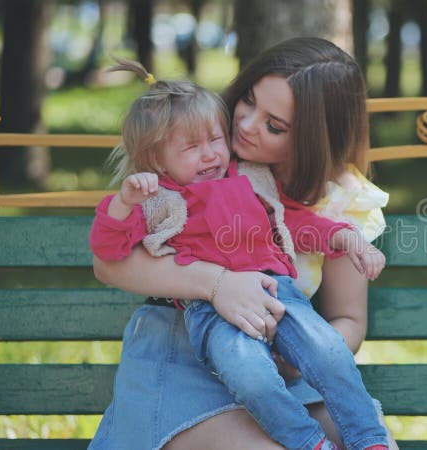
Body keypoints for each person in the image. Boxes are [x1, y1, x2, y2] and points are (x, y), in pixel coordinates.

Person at [89, 37, 399, 450]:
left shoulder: (339, 200)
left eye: (274, 125)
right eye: (248, 101)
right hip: (184, 351)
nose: (247, 125)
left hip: (284, 360)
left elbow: (348, 320)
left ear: (313, 138)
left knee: (374, 441)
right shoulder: (201, 157)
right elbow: (108, 262)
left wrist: (293, 359)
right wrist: (218, 284)